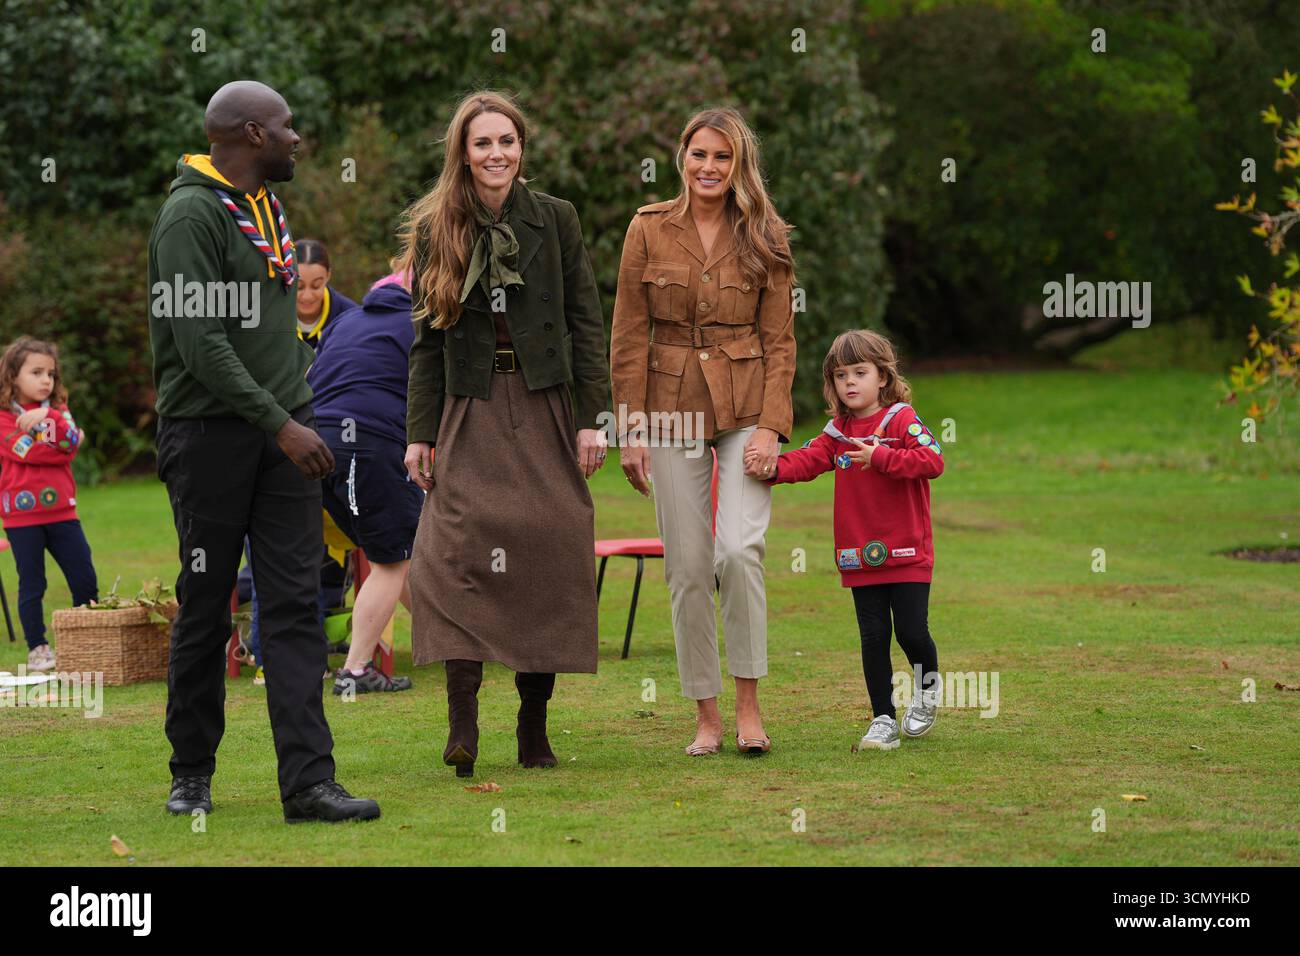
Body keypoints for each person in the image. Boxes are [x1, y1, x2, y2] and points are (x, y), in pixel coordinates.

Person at [147, 79, 378, 823]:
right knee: (207, 606)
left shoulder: (263, 206)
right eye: (286, 127)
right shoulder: (190, 214)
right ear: (250, 134)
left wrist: (291, 417)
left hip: (284, 435)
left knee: (294, 609)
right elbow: (202, 345)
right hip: (212, 438)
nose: (297, 138)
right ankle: (191, 774)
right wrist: (281, 423)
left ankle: (309, 783)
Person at [398, 90, 610, 778]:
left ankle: (534, 721)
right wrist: (417, 435)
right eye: (483, 143)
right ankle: (462, 719)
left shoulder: (557, 220)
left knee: (549, 545)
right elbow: (427, 344)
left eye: (507, 142)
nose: (496, 154)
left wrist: (592, 420)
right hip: (469, 404)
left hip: (544, 401)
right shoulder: (439, 226)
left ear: (523, 149)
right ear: (464, 151)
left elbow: (586, 325)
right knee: (455, 550)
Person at [609, 107, 797, 757]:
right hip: (668, 408)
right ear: (681, 159)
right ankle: (707, 717)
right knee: (688, 567)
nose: (709, 167)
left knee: (739, 551)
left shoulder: (767, 234)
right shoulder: (648, 229)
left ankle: (749, 708)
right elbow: (629, 335)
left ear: (739, 164)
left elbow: (780, 341)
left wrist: (773, 426)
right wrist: (628, 428)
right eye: (699, 155)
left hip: (746, 408)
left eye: (722, 157)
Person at [761, 329, 945, 752]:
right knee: (873, 636)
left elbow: (932, 460)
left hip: (907, 551)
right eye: (840, 375)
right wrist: (771, 468)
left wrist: (879, 456)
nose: (850, 383)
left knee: (913, 633)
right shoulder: (838, 431)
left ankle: (927, 691)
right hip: (858, 554)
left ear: (882, 376)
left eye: (859, 372)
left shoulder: (901, 419)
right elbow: (808, 460)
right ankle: (883, 717)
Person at [309, 271, 420, 694]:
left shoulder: (346, 320)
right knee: (390, 562)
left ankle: (452, 645)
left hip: (314, 443)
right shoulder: (418, 324)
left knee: (397, 550)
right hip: (370, 444)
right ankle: (354, 670)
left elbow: (312, 377)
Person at [0, 337, 98, 672]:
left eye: (51, 374)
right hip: (22, 519)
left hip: (63, 513)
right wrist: (64, 440)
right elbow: (26, 450)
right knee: (32, 584)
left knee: (84, 577)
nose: (46, 380)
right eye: (36, 372)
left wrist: (48, 417)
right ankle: (38, 648)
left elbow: (66, 447)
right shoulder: (3, 417)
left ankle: (85, 641)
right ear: (13, 376)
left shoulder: (57, 412)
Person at [293, 238, 359, 351]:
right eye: (299, 287)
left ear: (328, 275)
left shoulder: (351, 318)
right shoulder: (270, 316)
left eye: (316, 285)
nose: (307, 296)